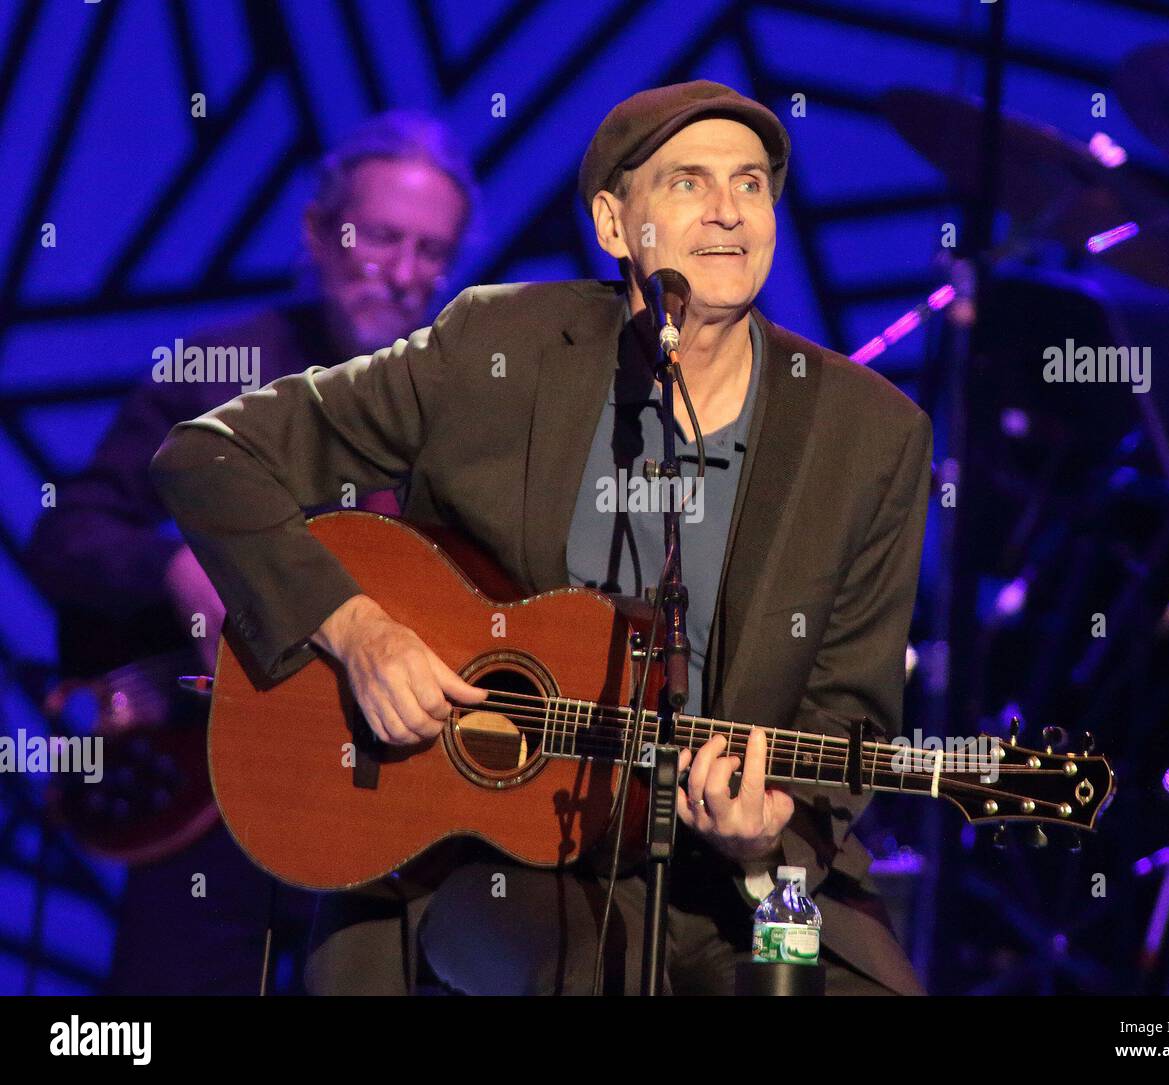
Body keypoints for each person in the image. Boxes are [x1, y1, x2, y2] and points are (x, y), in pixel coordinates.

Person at [149, 81, 932, 996]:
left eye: (751, 184)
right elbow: (211, 456)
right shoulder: (500, 347)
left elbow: (848, 715)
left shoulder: (871, 434)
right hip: (488, 863)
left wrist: (768, 830)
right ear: (612, 223)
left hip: (744, 881)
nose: (728, 210)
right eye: (689, 181)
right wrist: (357, 630)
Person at [26, 110, 476, 994]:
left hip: (385, 803)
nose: (403, 272)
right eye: (381, 237)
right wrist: (175, 567)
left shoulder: (458, 404)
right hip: (214, 795)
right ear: (318, 231)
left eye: (432, 251)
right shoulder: (225, 365)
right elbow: (69, 536)